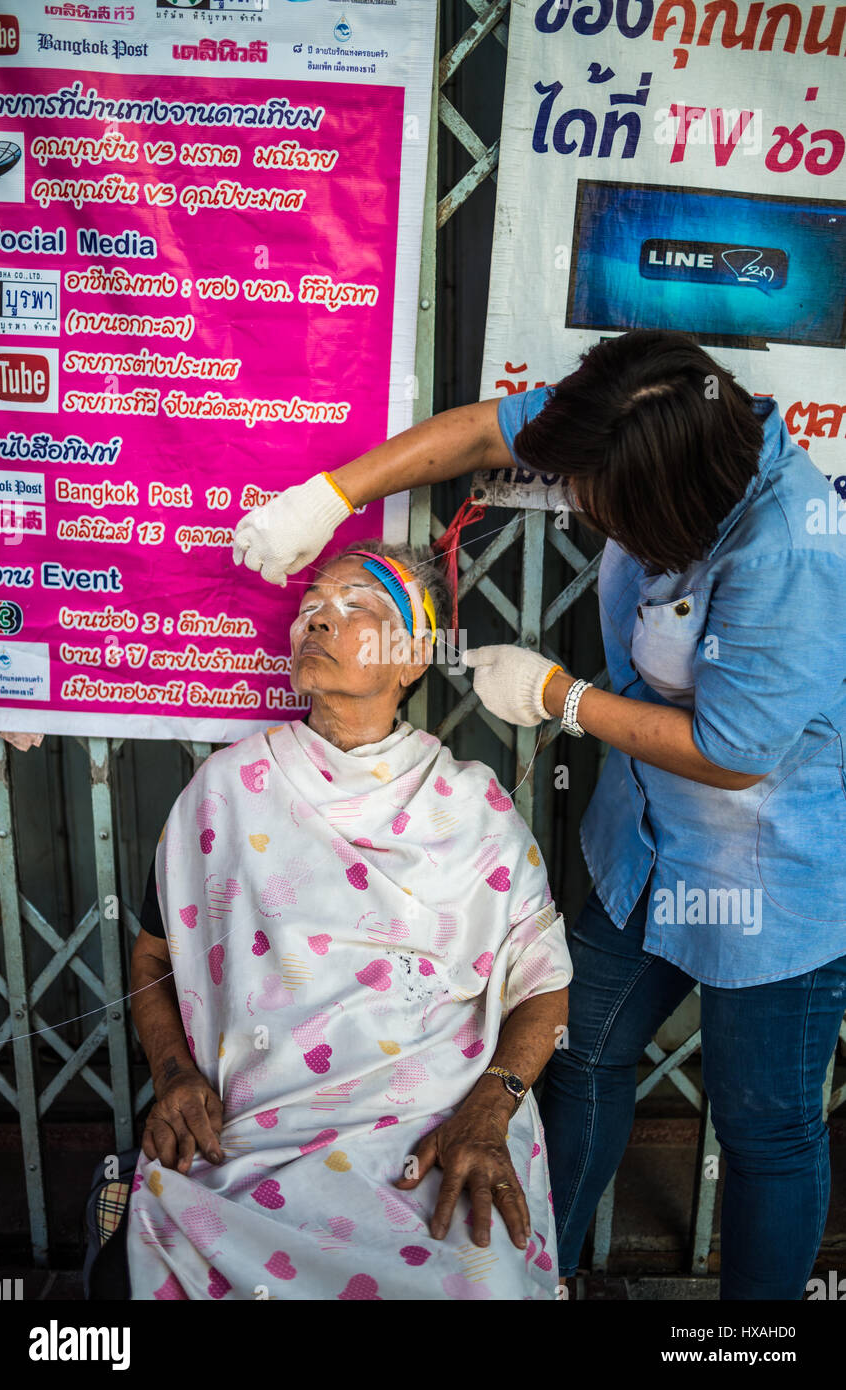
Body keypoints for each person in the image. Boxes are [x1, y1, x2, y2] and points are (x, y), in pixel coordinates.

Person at [232, 329, 846, 1299]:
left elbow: (736, 753)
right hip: (641, 843)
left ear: (673, 499)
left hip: (772, 873)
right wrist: (330, 494)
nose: (590, 522)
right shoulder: (638, 408)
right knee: (584, 1053)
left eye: (611, 515)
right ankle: (532, 1276)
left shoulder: (791, 551)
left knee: (765, 1123)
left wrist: (562, 698)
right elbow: (483, 433)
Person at [125, 540, 572, 1301]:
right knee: (179, 1237)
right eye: (308, 612)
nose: (317, 625)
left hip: (433, 1119)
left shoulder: (470, 805)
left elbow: (542, 984)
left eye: (353, 609)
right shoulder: (225, 790)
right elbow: (151, 955)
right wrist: (172, 1074)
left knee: (477, 1271)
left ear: (410, 658)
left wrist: (489, 1110)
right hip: (259, 1123)